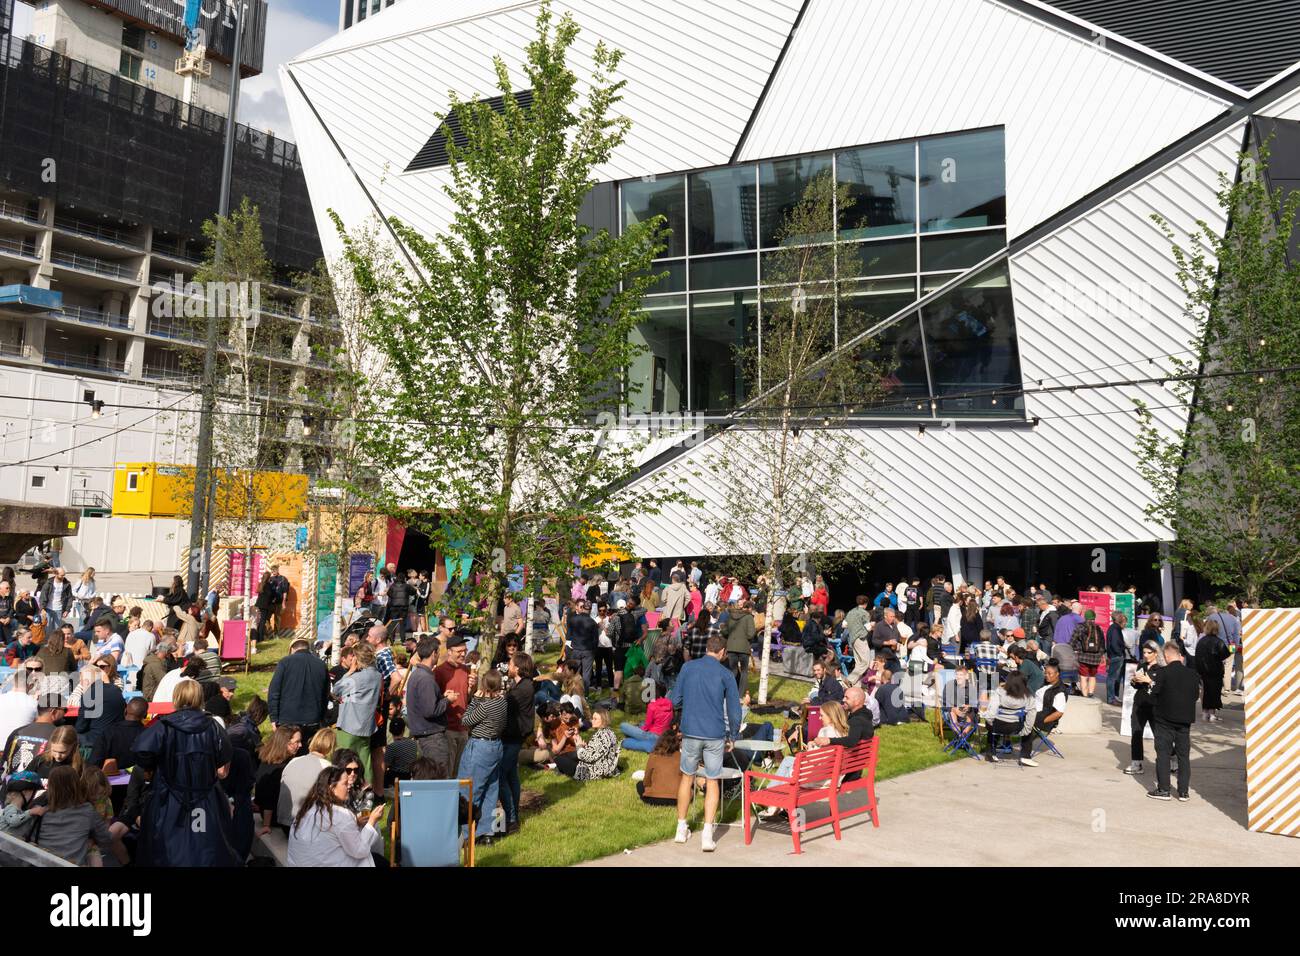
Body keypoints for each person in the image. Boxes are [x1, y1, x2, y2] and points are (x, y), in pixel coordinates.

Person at [131, 678, 237, 865]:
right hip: (202, 801)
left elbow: (141, 750)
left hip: (169, 799)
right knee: (202, 845)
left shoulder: (164, 725)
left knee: (167, 847)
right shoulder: (212, 727)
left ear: (177, 697)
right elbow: (225, 754)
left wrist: (153, 766)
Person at [670, 634, 741, 853]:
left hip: (690, 731)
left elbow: (675, 700)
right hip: (715, 734)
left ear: (707, 648)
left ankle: (681, 828)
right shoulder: (726, 674)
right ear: (722, 652)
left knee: (687, 777)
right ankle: (707, 835)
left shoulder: (688, 667)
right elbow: (734, 710)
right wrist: (734, 735)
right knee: (712, 780)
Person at [287, 766, 386, 867]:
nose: (349, 786)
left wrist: (356, 823)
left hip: (299, 863)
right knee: (378, 861)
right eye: (345, 783)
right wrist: (372, 821)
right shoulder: (340, 814)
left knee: (377, 859)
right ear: (332, 788)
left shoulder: (308, 808)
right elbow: (359, 850)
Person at [34, 764, 129, 866]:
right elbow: (105, 838)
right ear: (77, 786)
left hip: (42, 861)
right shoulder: (86, 809)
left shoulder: (39, 807)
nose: (96, 797)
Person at [1145, 643, 1200, 801]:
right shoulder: (1193, 674)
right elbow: (1195, 696)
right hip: (1185, 721)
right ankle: (1183, 791)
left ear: (1167, 656)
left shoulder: (1162, 673)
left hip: (1164, 719)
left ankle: (1164, 789)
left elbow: (1153, 695)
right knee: (1183, 756)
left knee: (1163, 754)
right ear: (1179, 655)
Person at [460, 669, 508, 837]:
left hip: (480, 747)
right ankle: (487, 832)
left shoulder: (485, 706)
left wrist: (475, 699)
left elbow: (465, 720)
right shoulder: (503, 702)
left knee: (469, 790)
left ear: (484, 685)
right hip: (496, 746)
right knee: (491, 789)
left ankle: (465, 834)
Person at [333, 642, 381, 785]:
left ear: (356, 658)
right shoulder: (377, 676)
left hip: (349, 725)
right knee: (365, 762)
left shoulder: (354, 679)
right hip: (367, 726)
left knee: (343, 762)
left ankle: (342, 790)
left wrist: (349, 672)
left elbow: (336, 690)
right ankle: (367, 793)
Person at [267, 638, 331, 741]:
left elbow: (274, 692)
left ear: (293, 649)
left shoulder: (285, 662)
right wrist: (322, 718)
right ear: (308, 648)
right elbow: (326, 694)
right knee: (307, 753)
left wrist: (273, 718)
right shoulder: (321, 665)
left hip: (288, 720)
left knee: (286, 753)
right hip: (313, 720)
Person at [500, 652, 535, 835]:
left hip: (513, 738)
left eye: (511, 664)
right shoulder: (521, 685)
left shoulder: (522, 689)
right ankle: (514, 815)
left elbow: (504, 707)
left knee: (500, 776)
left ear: (518, 667)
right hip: (513, 737)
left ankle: (511, 818)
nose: (509, 666)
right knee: (512, 775)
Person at [277, 727, 336, 832]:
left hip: (283, 823)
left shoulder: (294, 760)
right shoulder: (327, 768)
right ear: (332, 747)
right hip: (304, 827)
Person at [434, 633, 474, 775]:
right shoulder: (439, 671)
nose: (463, 654)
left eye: (465, 651)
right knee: (448, 769)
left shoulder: (465, 669)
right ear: (449, 652)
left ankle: (459, 796)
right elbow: (435, 700)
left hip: (463, 727)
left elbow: (466, 697)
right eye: (459, 652)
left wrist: (470, 687)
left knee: (460, 769)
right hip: (448, 728)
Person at [254, 724, 303, 835]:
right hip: (276, 817)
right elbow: (269, 799)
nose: (300, 745)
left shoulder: (269, 759)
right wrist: (266, 825)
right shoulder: (278, 769)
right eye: (297, 742)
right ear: (285, 743)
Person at [1019, 661, 1068, 767]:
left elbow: (1059, 712)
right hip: (1034, 712)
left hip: (1044, 718)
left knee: (1026, 722)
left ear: (1057, 674)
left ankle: (1025, 756)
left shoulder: (1059, 691)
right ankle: (1005, 745)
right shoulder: (1046, 684)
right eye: (1045, 673)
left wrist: (1042, 720)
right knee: (1010, 714)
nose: (1047, 675)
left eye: (1050, 673)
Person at [75, 654, 126, 750]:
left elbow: (80, 727)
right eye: (96, 666)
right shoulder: (114, 690)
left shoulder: (91, 693)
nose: (99, 670)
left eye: (102, 667)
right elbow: (73, 697)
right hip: (115, 735)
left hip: (96, 739)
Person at [555, 705, 620, 780]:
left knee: (558, 759)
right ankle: (560, 769)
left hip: (593, 771)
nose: (592, 720)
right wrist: (584, 746)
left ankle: (560, 770)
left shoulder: (601, 736)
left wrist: (579, 747)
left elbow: (587, 758)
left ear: (603, 720)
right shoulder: (610, 732)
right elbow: (597, 751)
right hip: (606, 767)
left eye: (595, 719)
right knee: (569, 756)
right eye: (593, 718)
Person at [980, 672, 1033, 763]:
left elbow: (992, 712)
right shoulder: (1027, 696)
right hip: (1016, 728)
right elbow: (1032, 713)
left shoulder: (999, 692)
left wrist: (990, 722)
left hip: (998, 727)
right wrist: (1026, 730)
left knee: (991, 724)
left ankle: (990, 753)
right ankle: (1025, 756)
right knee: (1029, 726)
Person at [635, 718, 684, 806]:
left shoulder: (654, 755)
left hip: (654, 799)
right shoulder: (681, 757)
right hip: (678, 798)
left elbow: (646, 780)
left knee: (639, 785)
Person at [1193, 617, 1230, 722]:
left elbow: (1197, 656)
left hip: (1203, 671)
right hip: (1216, 671)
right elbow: (1225, 654)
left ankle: (1205, 713)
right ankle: (1212, 714)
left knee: (1206, 692)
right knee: (1215, 692)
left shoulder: (1201, 641)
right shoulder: (1218, 641)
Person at [619, 681, 672, 753]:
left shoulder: (652, 706)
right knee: (641, 724)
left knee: (623, 726)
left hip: (651, 735)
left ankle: (625, 742)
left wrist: (639, 729)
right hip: (664, 735)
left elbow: (647, 726)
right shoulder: (669, 703)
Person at [721, 597, 756, 693]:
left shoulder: (731, 616)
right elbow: (751, 634)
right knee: (744, 672)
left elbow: (725, 631)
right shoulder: (749, 617)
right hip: (744, 647)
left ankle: (729, 692)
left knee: (733, 670)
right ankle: (740, 695)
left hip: (731, 646)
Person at [0, 770, 45, 841]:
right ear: (25, 792)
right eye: (33, 793)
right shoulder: (11, 808)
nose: (34, 796)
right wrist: (31, 812)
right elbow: (13, 821)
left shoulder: (21, 812)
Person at [1071, 610, 1106, 699]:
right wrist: (1101, 655)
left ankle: (1085, 695)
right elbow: (1102, 644)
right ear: (1094, 618)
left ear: (1085, 617)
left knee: (1083, 676)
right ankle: (1091, 693)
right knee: (1093, 675)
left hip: (1083, 657)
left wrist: (1075, 650)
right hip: (1095, 658)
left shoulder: (1080, 627)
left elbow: (1072, 641)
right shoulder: (1099, 628)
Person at [565, 599, 598, 692]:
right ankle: (584, 694)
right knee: (586, 674)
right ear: (590, 610)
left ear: (582, 608)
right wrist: (593, 651)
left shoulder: (573, 620)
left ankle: (573, 692)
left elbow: (568, 636)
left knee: (575, 673)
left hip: (575, 649)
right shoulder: (592, 622)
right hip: (588, 651)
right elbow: (596, 640)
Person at [1105, 611, 1130, 705]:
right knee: (1112, 678)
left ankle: (1112, 698)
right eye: (1122, 618)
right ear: (1119, 618)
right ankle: (1111, 699)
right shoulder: (1115, 629)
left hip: (1114, 656)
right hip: (1116, 656)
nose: (1124, 620)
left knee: (1113, 678)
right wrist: (1120, 654)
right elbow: (1114, 644)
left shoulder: (1113, 628)